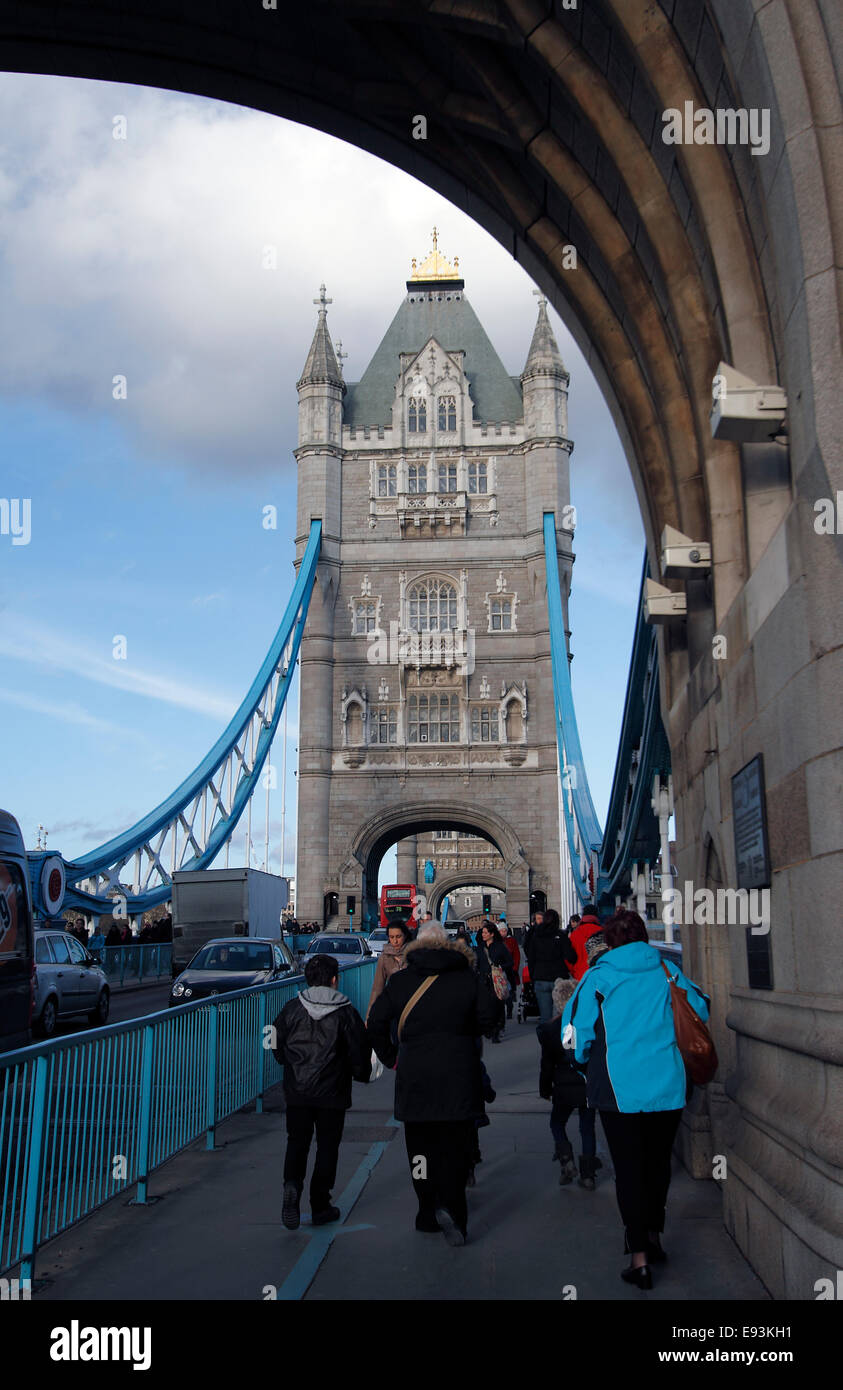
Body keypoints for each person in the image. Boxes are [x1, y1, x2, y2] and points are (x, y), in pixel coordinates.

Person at [561, 909, 710, 1289]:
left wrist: (583, 1067)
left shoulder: (598, 976)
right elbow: (701, 1010)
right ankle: (655, 1236)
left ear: (609, 941)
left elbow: (574, 1036)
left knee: (628, 1170)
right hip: (668, 1085)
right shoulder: (666, 971)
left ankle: (639, 1256)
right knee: (657, 1166)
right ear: (643, 937)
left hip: (618, 1088)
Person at [367, 925, 498, 1245]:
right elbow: (490, 1018)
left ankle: (427, 1210)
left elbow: (374, 1022)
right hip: (458, 1073)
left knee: (421, 1151)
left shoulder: (400, 981)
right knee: (454, 1148)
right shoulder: (467, 979)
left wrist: (389, 1057)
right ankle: (454, 1212)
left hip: (415, 1076)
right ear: (448, 945)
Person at [272, 953, 371, 1230]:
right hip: (332, 1091)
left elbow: (272, 1038)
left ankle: (292, 1185)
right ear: (335, 980)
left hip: (298, 1090)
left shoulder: (291, 1008)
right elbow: (358, 1052)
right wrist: (362, 1074)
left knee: (297, 1142)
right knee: (327, 1147)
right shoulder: (346, 1012)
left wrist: (285, 1062)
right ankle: (320, 1205)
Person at [537, 977, 599, 1190]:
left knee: (557, 1123)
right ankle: (588, 1173)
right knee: (587, 1128)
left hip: (562, 1085)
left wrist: (544, 1088)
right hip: (585, 1083)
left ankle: (566, 1158)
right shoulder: (587, 1025)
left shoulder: (549, 1030)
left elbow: (546, 1064)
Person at [524, 908, 576, 1023]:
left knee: (545, 1016)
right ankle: (561, 1038)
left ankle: (546, 1038)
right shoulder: (560, 936)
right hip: (558, 976)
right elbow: (571, 956)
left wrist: (533, 975)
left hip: (540, 977)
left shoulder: (536, 937)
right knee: (562, 1014)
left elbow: (530, 957)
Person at [475, 920, 518, 1042]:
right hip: (483, 981)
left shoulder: (500, 947)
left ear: (492, 934)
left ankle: (496, 1030)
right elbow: (476, 964)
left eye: (485, 932)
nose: (483, 934)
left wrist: (501, 967)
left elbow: (510, 962)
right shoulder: (479, 949)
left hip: (496, 981)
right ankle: (489, 1028)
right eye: (482, 932)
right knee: (485, 1007)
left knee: (497, 1006)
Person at [366, 917, 412, 1019]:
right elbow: (377, 988)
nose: (395, 941)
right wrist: (370, 1015)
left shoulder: (414, 954)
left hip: (411, 1006)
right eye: (391, 937)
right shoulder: (384, 956)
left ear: (405, 935)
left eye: (398, 936)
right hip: (393, 1007)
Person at [568, 904, 604, 980]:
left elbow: (568, 957)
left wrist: (573, 971)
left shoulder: (574, 934)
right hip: (598, 975)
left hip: (579, 975)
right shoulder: (602, 931)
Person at [498, 922, 521, 1021]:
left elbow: (516, 955)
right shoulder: (496, 942)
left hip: (509, 970)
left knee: (508, 991)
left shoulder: (511, 941)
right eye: (502, 931)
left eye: (505, 931)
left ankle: (509, 1010)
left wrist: (515, 967)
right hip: (499, 971)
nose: (503, 932)